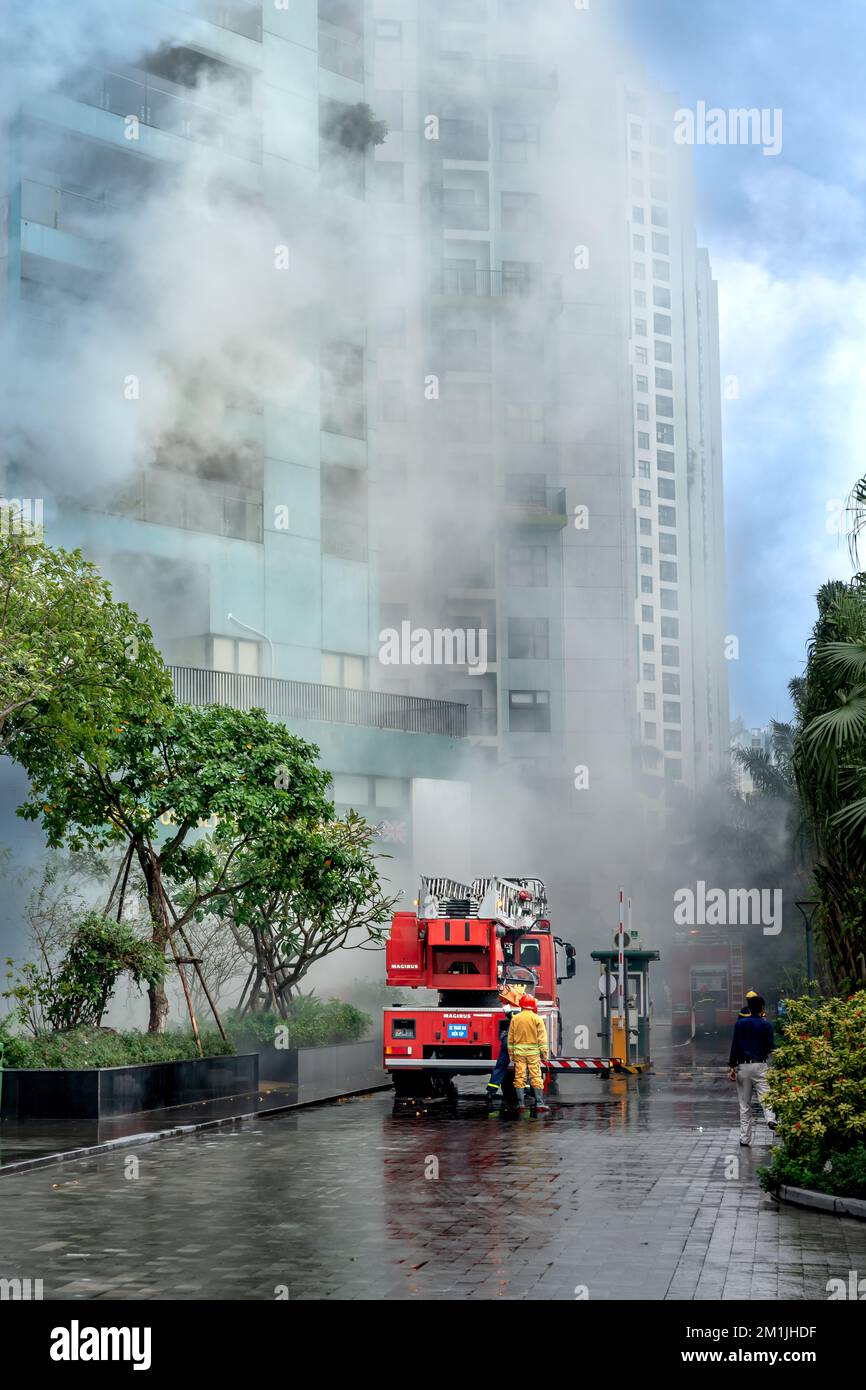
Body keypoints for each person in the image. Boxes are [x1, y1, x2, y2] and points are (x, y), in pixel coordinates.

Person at [727, 993, 776, 1146]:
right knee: (766, 1095)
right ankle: (771, 1119)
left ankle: (744, 1139)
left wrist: (732, 1067)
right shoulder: (766, 1024)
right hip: (760, 1064)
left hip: (743, 1066)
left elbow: (734, 1046)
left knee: (744, 1105)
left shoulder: (739, 1024)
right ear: (761, 1008)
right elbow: (771, 1047)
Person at [507, 993, 550, 1113]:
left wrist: (511, 1054)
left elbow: (510, 1039)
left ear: (521, 1005)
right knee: (535, 1077)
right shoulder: (537, 1019)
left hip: (519, 1053)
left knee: (519, 1077)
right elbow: (542, 1038)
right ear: (532, 1005)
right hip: (533, 1054)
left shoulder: (515, 1018)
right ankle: (539, 1104)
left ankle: (520, 1105)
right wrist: (545, 1054)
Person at [486, 985, 523, 1101]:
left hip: (507, 1041)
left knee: (500, 1066)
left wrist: (505, 1005)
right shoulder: (527, 1017)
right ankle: (525, 1092)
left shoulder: (513, 1015)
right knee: (522, 1068)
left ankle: (491, 1092)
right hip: (518, 1043)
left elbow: (509, 1014)